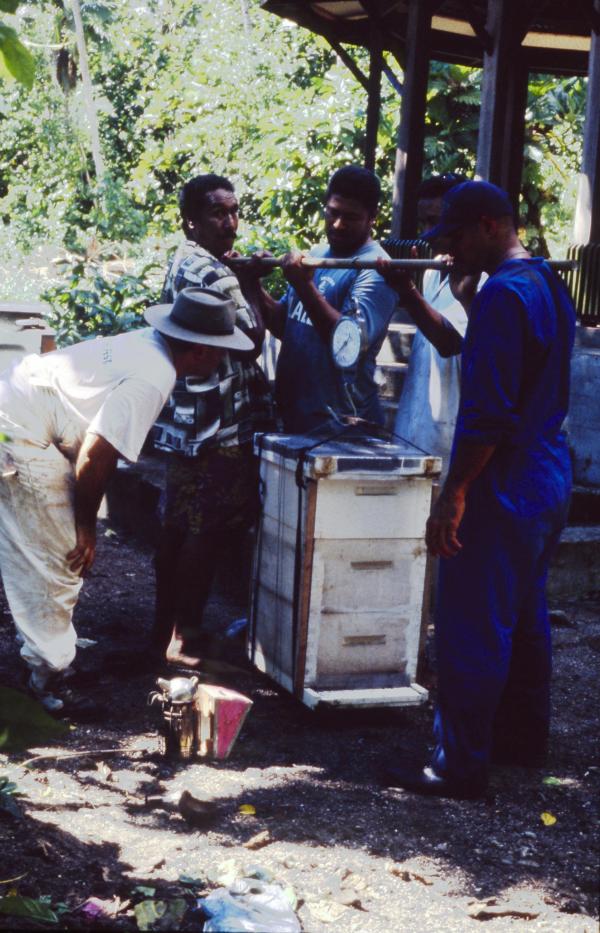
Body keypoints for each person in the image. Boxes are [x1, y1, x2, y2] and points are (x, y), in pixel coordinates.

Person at [381, 181, 576, 798]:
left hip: (504, 479)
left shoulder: (503, 298)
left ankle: (458, 765)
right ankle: (520, 741)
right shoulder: (545, 282)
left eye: (459, 236)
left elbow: (488, 414)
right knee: (523, 613)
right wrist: (464, 293)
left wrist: (455, 490)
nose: (452, 250)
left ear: (491, 225)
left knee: (470, 623)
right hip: (548, 472)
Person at [0, 288, 252, 716]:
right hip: (20, 427)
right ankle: (45, 679)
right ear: (199, 351)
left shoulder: (145, 344)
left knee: (45, 551)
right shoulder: (155, 375)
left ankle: (40, 659)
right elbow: (96, 455)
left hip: (23, 409)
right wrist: (87, 526)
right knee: (62, 557)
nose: (220, 360)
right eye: (217, 351)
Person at [151, 174, 273, 668]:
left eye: (234, 211)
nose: (230, 223)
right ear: (192, 221)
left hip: (185, 417)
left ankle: (164, 632)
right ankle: (189, 636)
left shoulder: (182, 258)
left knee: (177, 525)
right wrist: (251, 282)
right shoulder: (221, 275)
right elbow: (253, 340)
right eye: (217, 214)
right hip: (220, 425)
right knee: (208, 529)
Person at [237, 165, 398, 433]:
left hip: (342, 426)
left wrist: (303, 285)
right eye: (333, 212)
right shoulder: (319, 253)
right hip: (297, 417)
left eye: (351, 217)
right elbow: (284, 325)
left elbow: (348, 344)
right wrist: (251, 282)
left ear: (372, 218)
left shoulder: (376, 269)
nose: (338, 224)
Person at [381, 174, 481, 473]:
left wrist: (408, 294)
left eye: (435, 222)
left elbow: (451, 343)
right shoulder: (432, 273)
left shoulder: (484, 283)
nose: (427, 234)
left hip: (449, 450)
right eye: (423, 223)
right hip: (413, 437)